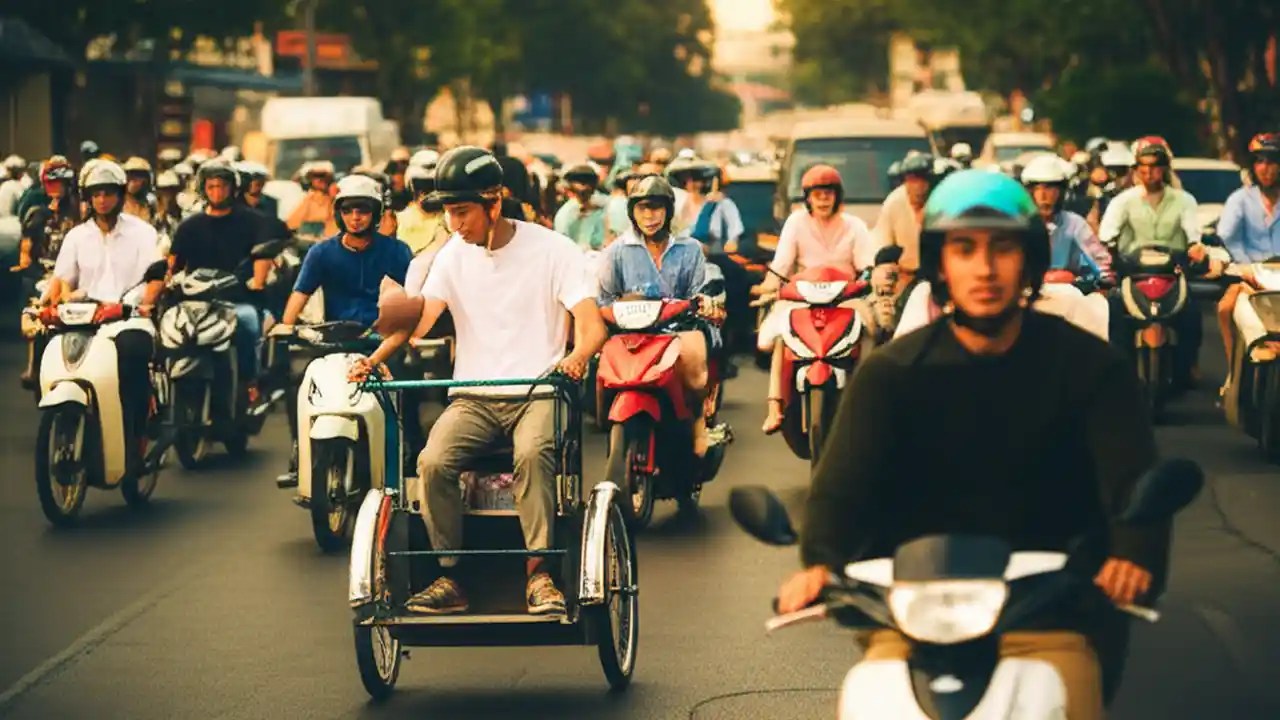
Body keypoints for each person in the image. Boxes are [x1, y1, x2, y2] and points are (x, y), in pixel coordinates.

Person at [780, 169, 1169, 715]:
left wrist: (1132, 556)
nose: (984, 268)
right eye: (964, 249)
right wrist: (819, 561)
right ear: (940, 263)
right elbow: (840, 487)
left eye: (1003, 248)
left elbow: (1135, 481)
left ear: (1030, 260)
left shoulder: (1091, 369)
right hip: (915, 620)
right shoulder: (891, 374)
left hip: (1049, 616)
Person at [350, 146, 605, 616]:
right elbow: (420, 322)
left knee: (532, 454)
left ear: (494, 201)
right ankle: (450, 575)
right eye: (448, 213)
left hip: (538, 391)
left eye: (462, 212)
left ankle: (541, 573)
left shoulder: (552, 250)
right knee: (431, 462)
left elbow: (591, 324)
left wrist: (578, 355)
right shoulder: (452, 256)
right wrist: (374, 358)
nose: (455, 224)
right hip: (473, 397)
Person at [271, 174, 416, 484]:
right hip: (334, 340)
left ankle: (408, 453)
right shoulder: (321, 253)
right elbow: (300, 293)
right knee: (300, 384)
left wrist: (413, 334)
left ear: (376, 214)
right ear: (339, 214)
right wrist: (286, 327)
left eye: (363, 210)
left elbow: (414, 296)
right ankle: (300, 450)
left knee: (406, 384)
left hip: (384, 340)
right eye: (348, 210)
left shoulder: (398, 251)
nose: (355, 217)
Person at [41, 160, 164, 476]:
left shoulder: (143, 233)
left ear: (120, 195)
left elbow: (156, 278)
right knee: (56, 356)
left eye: (108, 193)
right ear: (87, 197)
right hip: (85, 320)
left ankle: (136, 437)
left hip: (129, 318)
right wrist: (47, 305)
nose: (102, 200)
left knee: (131, 358)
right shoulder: (76, 237)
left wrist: (142, 304)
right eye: (95, 194)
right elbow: (62, 281)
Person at [597, 174, 724, 454]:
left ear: (667, 211)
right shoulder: (616, 251)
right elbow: (604, 299)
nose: (650, 215)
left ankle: (698, 425)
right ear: (632, 212)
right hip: (631, 333)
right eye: (642, 208)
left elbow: (699, 292)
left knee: (695, 370)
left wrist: (704, 303)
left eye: (656, 208)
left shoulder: (689, 249)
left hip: (678, 329)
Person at [754, 164, 877, 433]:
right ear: (807, 198)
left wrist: (868, 281)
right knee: (777, 337)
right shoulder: (796, 222)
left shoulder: (855, 226)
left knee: (871, 330)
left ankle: (869, 401)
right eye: (817, 193)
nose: (823, 199)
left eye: (828, 193)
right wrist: (767, 287)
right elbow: (782, 265)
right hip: (801, 297)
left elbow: (867, 266)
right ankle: (775, 405)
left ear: (838, 196)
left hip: (845, 297)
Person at [1099, 136, 1207, 386]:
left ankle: (1187, 366)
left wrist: (1195, 248)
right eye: (1143, 168)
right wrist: (1111, 247)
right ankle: (1116, 372)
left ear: (1165, 170)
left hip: (1172, 273)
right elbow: (1107, 232)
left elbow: (1193, 235)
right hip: (1132, 274)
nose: (1149, 174)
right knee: (1114, 312)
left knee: (1191, 313)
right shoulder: (1122, 201)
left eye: (1155, 167)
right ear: (1136, 171)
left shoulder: (1184, 200)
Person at [169, 158, 274, 384]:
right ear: (204, 190)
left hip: (236, 300)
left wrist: (257, 281)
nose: (217, 192)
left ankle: (249, 384)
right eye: (212, 187)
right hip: (194, 303)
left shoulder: (253, 221)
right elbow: (173, 264)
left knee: (247, 323)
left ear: (233, 188)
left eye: (223, 186)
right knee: (170, 331)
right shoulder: (189, 226)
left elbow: (262, 257)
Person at [1215, 132, 1280, 396]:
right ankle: (1234, 375)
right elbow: (1228, 237)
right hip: (1250, 277)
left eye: (1273, 161)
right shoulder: (1239, 200)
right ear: (1252, 166)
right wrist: (1244, 268)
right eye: (1260, 161)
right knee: (1225, 308)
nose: (1266, 168)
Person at [1021, 154, 1113, 283]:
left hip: (1067, 293)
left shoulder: (1074, 223)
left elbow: (1098, 258)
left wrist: (1104, 277)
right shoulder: (1019, 224)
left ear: (1061, 192)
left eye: (1050, 188)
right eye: (1037, 189)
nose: (1043, 196)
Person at [872, 152, 934, 283]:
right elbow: (882, 245)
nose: (919, 186)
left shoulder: (939, 201)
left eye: (923, 179)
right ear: (905, 181)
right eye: (913, 180)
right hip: (903, 276)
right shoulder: (894, 202)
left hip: (936, 276)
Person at [553, 163, 608, 250]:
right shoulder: (566, 213)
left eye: (588, 181)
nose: (585, 186)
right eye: (581, 182)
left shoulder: (602, 206)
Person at [286, 160, 338, 238]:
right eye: (315, 177)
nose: (320, 180)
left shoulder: (336, 196)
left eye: (323, 176)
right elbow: (292, 224)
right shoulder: (308, 198)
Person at [120, 157, 155, 223]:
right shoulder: (118, 204)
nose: (132, 181)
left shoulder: (150, 203)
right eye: (130, 176)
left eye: (137, 176)